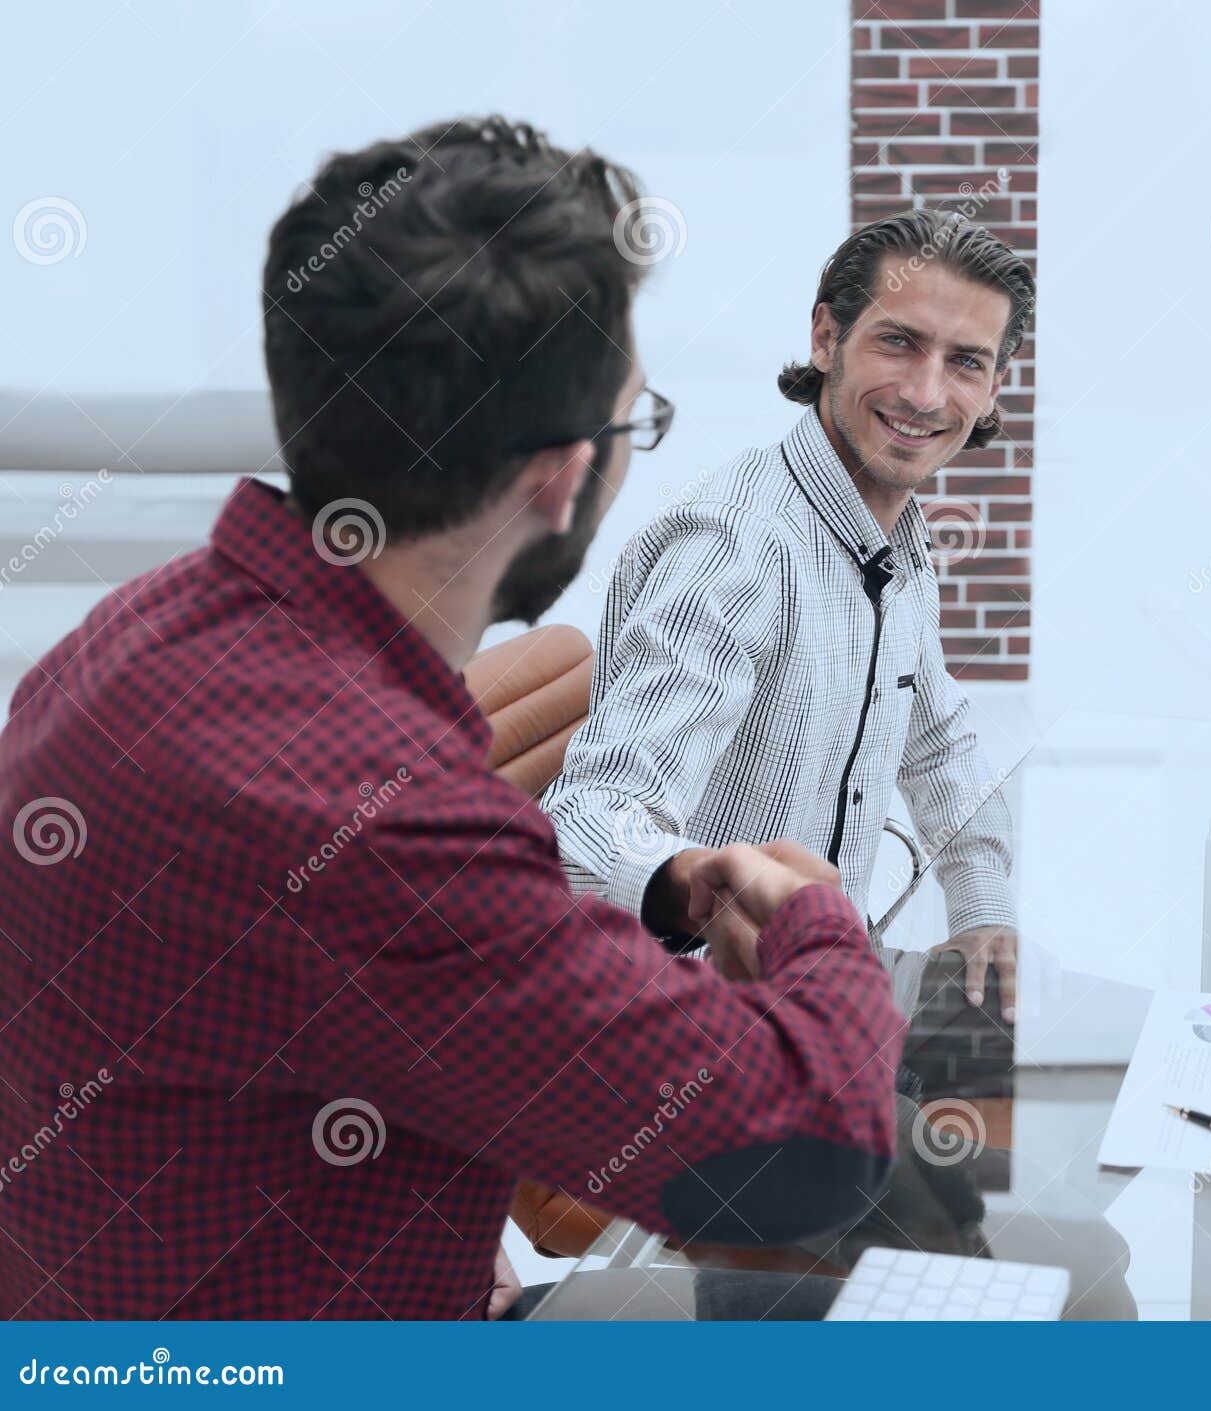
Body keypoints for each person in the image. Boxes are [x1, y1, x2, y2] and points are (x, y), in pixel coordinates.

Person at [0, 117, 902, 1321]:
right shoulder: (388, 835)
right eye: (638, 424)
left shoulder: (120, 640)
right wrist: (817, 922)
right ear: (563, 473)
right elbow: (806, 1157)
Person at [541, 210, 1032, 1018]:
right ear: (826, 337)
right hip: (688, 1031)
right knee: (1061, 1143)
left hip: (824, 1002)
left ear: (990, 392)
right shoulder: (739, 548)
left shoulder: (898, 541)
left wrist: (982, 901)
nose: (925, 393)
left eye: (965, 362)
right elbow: (586, 827)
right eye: (899, 342)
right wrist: (702, 886)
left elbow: (941, 743)